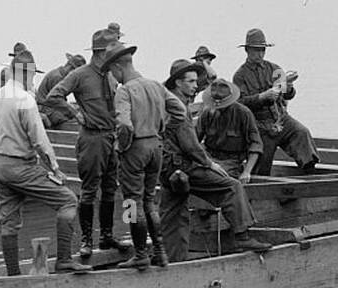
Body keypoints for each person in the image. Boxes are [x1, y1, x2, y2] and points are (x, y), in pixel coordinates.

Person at [158, 60, 270, 261]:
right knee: (232, 187)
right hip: (183, 166)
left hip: (167, 168)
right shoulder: (179, 108)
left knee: (175, 212)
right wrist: (210, 164)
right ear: (177, 83)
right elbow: (191, 145)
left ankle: (172, 258)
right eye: (191, 82)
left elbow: (255, 145)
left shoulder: (168, 102)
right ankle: (242, 236)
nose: (195, 86)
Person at [0, 47, 82, 275]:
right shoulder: (25, 100)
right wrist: (55, 169)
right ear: (26, 73)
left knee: (9, 221)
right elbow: (40, 140)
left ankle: (13, 275)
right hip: (19, 165)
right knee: (67, 201)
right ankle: (64, 260)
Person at [43, 28, 129, 257]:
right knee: (90, 191)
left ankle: (107, 236)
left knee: (111, 189)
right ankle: (86, 240)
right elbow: (54, 96)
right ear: (101, 52)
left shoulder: (112, 75)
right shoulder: (80, 74)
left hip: (111, 137)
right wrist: (75, 114)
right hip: (92, 138)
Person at [103, 44, 170, 269]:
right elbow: (179, 111)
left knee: (132, 203)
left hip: (135, 149)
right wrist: (159, 130)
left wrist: (122, 147)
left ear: (117, 67)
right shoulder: (156, 86)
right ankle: (159, 252)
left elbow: (123, 124)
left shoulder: (125, 91)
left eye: (111, 71)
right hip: (156, 147)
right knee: (149, 200)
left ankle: (140, 253)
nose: (112, 76)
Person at [232, 27, 320, 175]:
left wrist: (289, 88)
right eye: (256, 50)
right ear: (247, 50)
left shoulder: (274, 69)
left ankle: (309, 171)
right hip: (258, 125)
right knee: (261, 165)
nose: (260, 54)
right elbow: (239, 104)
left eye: (262, 50)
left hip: (281, 119)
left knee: (301, 132)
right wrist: (262, 97)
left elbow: (288, 96)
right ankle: (260, 186)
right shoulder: (240, 76)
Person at [195, 77, 262, 182]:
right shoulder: (207, 113)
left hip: (231, 161)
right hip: (208, 158)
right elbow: (194, 140)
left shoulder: (243, 113)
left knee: (214, 176)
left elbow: (256, 144)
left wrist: (247, 172)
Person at [35, 53, 87, 129]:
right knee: (71, 121)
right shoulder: (57, 77)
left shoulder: (61, 75)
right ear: (71, 68)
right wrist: (74, 112)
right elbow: (56, 101)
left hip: (52, 107)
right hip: (47, 109)